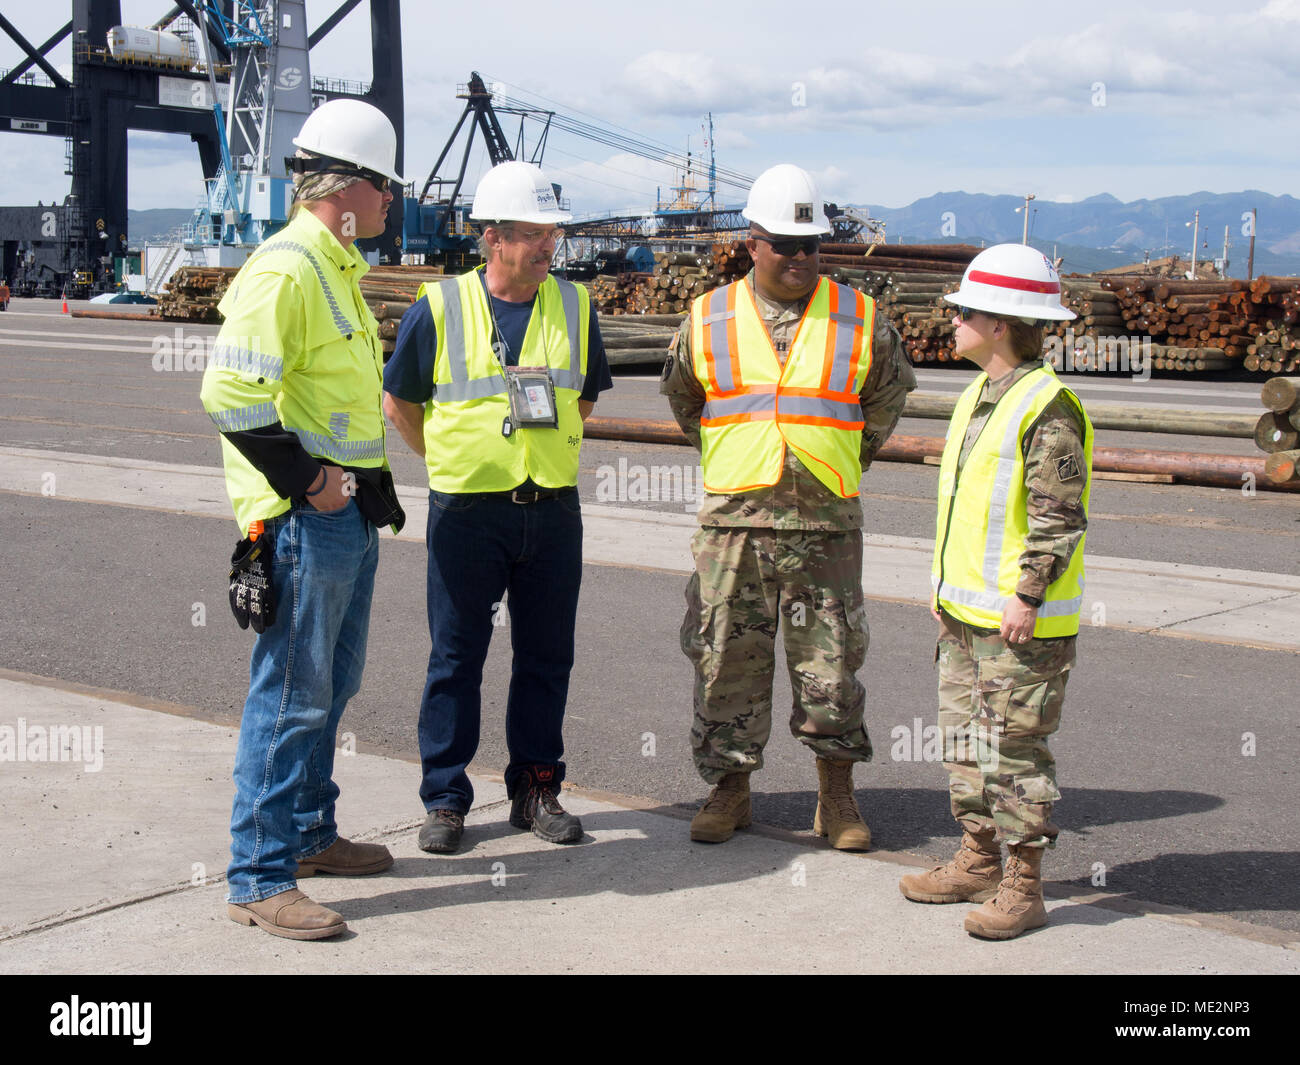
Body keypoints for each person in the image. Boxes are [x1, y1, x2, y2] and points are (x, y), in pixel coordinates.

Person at [660, 164, 916, 849]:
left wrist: (843, 456)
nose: (800, 257)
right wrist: (730, 456)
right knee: (724, 657)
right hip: (735, 524)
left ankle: (837, 796)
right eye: (785, 244)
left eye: (811, 245)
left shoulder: (860, 317)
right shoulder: (707, 316)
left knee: (831, 666)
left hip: (825, 524)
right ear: (753, 243)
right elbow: (685, 398)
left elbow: (887, 396)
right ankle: (729, 788)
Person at [200, 98, 407, 940]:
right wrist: (310, 479)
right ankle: (259, 874)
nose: (392, 200)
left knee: (330, 685)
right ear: (349, 186)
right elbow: (228, 392)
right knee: (290, 694)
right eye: (386, 185)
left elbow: (335, 401)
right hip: (300, 523)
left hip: (343, 519)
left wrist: (363, 489)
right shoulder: (288, 269)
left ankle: (311, 833)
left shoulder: (338, 267)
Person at [383, 161, 612, 854]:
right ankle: (445, 798)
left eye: (553, 234)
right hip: (467, 513)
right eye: (534, 234)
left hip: (551, 509)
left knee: (546, 655)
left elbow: (583, 399)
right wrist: (457, 462)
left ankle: (536, 788)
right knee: (456, 656)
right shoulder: (440, 306)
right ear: (493, 238)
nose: (549, 246)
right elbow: (399, 402)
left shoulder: (575, 306)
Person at [898, 243, 1092, 940]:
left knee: (1013, 752)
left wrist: (1029, 595)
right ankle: (978, 860)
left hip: (1017, 622)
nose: (951, 321)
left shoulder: (1048, 408)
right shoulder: (981, 394)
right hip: (965, 611)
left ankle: (1023, 886)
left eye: (964, 312)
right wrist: (943, 589)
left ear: (1001, 324)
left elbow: (1057, 515)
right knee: (963, 746)